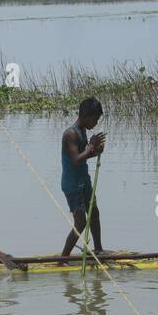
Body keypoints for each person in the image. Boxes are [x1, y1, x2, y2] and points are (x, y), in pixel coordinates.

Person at [60, 97, 105, 257]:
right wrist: (91, 147)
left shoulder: (83, 131)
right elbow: (76, 159)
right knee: (80, 223)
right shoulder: (70, 134)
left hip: (83, 180)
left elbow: (84, 155)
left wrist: (96, 151)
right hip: (72, 185)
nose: (96, 123)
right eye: (95, 119)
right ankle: (63, 258)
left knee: (94, 213)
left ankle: (98, 250)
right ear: (85, 115)